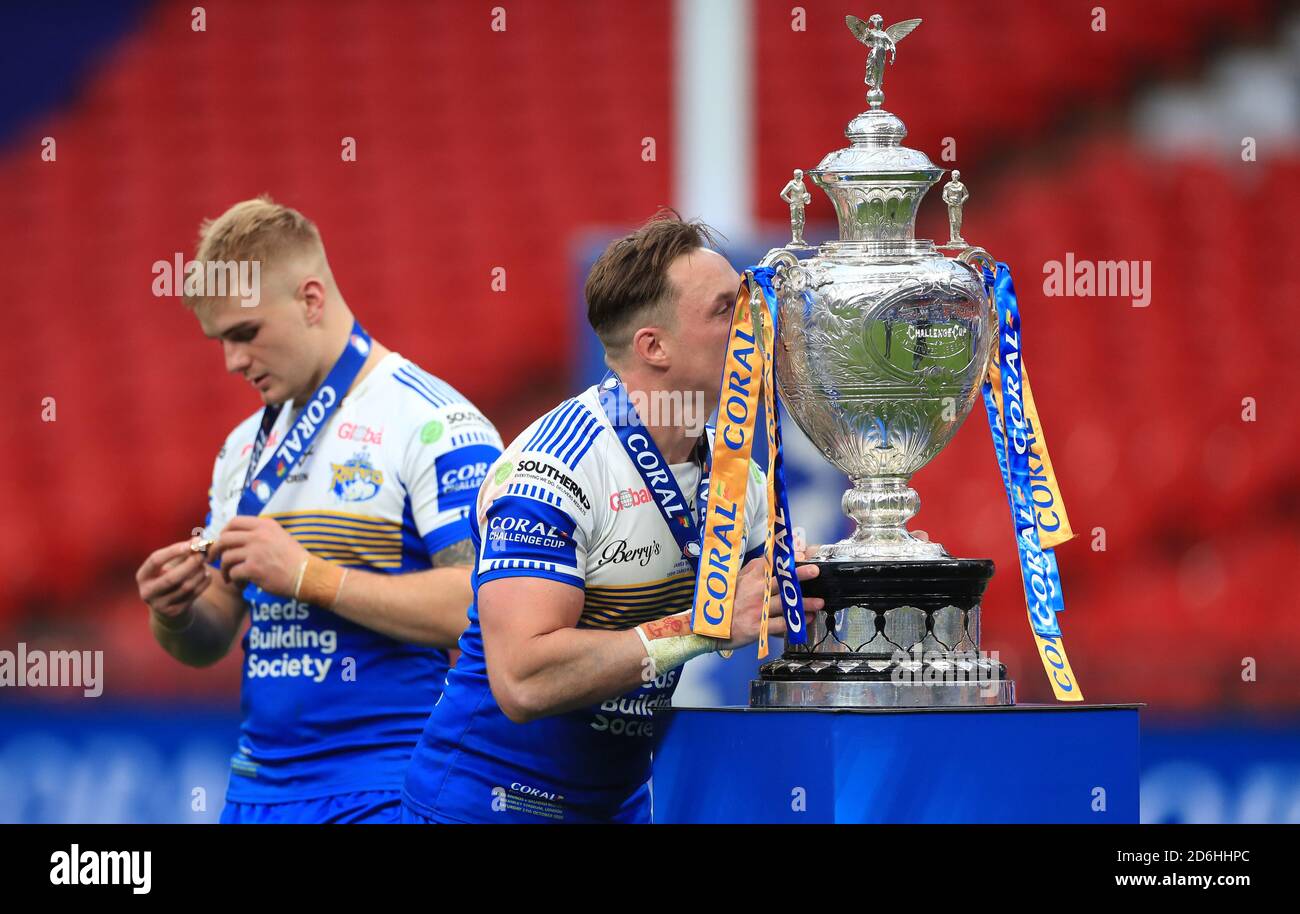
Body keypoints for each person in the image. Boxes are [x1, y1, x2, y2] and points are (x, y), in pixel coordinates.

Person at [401, 211, 823, 824]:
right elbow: (523, 681)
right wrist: (702, 626)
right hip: (486, 804)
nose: (755, 324)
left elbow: (771, 609)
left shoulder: (740, 480)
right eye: (727, 309)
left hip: (617, 807)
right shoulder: (554, 470)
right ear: (655, 347)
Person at [134, 196, 502, 823]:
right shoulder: (243, 446)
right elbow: (212, 633)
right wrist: (174, 614)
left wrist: (310, 577)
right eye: (220, 341)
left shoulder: (436, 421)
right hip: (256, 789)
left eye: (246, 334)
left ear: (310, 300)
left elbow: (488, 607)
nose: (232, 362)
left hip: (388, 781)